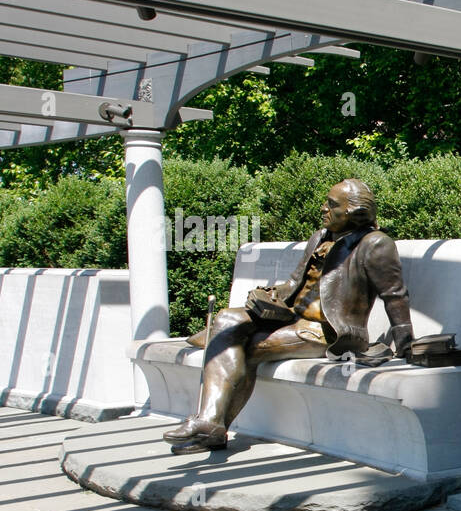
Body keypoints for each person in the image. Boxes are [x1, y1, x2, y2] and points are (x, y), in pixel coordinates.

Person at [164, 178, 414, 453]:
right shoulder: (320, 237)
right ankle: (210, 424)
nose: (323, 208)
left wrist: (406, 345)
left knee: (242, 346)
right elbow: (295, 283)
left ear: (354, 212)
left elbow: (395, 295)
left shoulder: (375, 244)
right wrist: (268, 296)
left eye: (331, 205)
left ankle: (210, 426)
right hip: (291, 320)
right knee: (226, 319)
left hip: (327, 332)